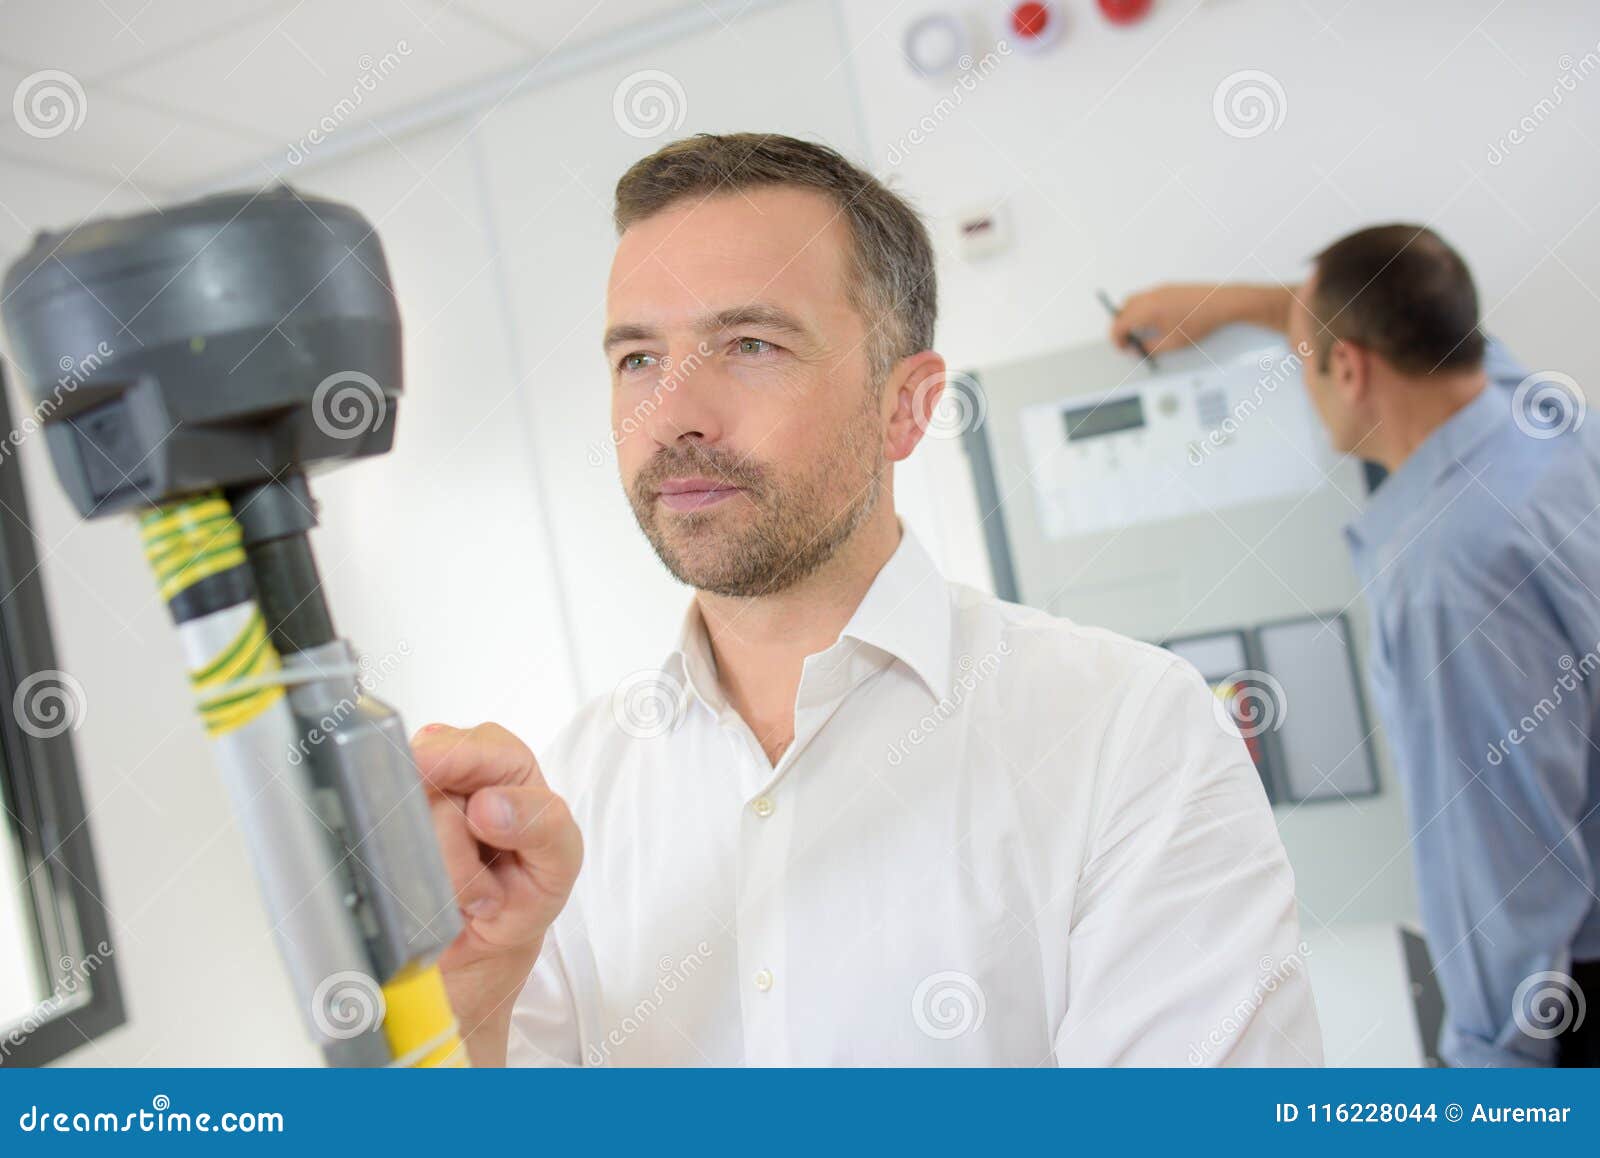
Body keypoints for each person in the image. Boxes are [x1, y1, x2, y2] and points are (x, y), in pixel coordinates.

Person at [413, 133, 1321, 1067]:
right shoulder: (571, 795)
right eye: (639, 359)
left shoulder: (1128, 735)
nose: (673, 414)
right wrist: (475, 1005)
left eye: (751, 345)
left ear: (907, 406)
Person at [1112, 225, 1600, 1067]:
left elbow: (1502, 858)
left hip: (1559, 1002)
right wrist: (1234, 307)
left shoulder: (1447, 573)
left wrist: (1493, 1069)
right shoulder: (1545, 422)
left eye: (1306, 359)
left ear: (1349, 368)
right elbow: (1410, 312)